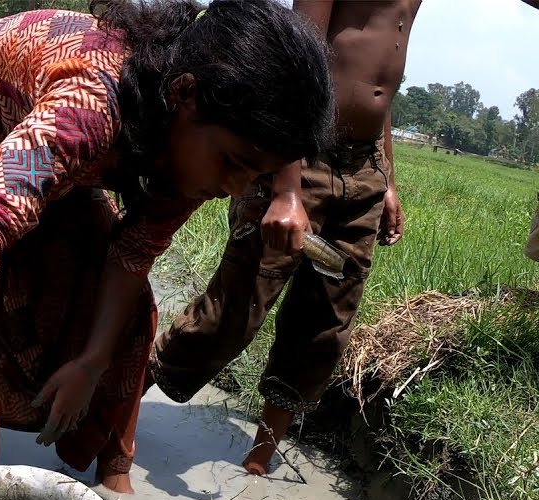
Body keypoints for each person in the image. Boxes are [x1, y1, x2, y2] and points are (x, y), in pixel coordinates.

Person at [0, 0, 334, 500]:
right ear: (185, 95)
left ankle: (113, 480)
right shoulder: (89, 105)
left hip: (84, 143)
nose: (238, 189)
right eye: (234, 165)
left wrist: (92, 363)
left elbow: (131, 256)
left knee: (118, 300)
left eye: (256, 177)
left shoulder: (194, 153)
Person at [149, 0, 421, 476]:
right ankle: (115, 426)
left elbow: (384, 87)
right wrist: (287, 188)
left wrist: (389, 180)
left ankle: (257, 464)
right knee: (233, 312)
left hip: (365, 168)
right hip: (301, 157)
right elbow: (299, 62)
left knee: (324, 327)